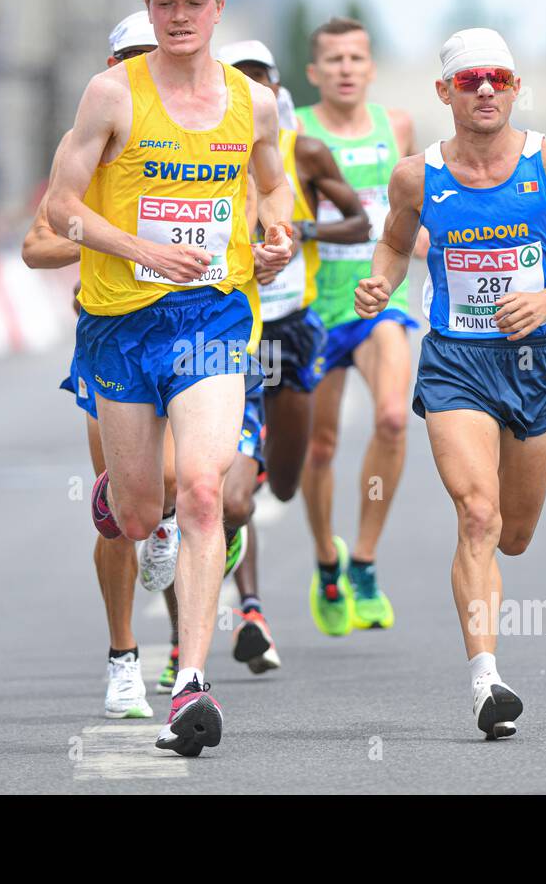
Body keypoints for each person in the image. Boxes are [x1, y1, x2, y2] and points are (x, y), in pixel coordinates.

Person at [45, 0, 293, 757]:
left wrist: (278, 233)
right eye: (164, 1)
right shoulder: (112, 92)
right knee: (140, 511)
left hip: (213, 318)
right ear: (150, 10)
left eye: (193, 1)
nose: (179, 15)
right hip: (120, 321)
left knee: (201, 491)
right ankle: (128, 511)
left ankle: (189, 680)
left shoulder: (253, 104)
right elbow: (59, 210)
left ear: (218, 9)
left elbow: (272, 181)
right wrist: (139, 247)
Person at [355, 28, 546, 739]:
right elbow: (391, 237)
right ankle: (486, 680)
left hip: (535, 363)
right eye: (469, 79)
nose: (484, 90)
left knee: (516, 535)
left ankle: (489, 646)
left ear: (514, 87)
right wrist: (380, 281)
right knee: (478, 515)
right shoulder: (416, 176)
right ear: (444, 91)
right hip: (456, 364)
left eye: (497, 79)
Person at [23, 12, 169, 718]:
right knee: (114, 506)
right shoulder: (84, 135)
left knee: (187, 485)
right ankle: (123, 658)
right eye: (129, 57)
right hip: (109, 332)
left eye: (153, 54)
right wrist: (114, 243)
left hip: (191, 330)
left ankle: (171, 523)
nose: (141, 68)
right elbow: (35, 244)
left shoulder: (201, 130)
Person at [217, 38, 370, 672]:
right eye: (241, 83)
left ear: (278, 91)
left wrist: (301, 229)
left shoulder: (302, 150)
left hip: (293, 328)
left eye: (264, 84)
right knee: (237, 486)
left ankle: (238, 497)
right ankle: (249, 605)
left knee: (283, 479)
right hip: (232, 330)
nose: (257, 95)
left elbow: (361, 223)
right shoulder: (210, 149)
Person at [297, 16, 427, 637]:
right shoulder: (295, 127)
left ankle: (366, 562)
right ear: (314, 72)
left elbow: (411, 210)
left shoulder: (396, 125)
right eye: (334, 59)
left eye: (356, 58)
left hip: (380, 300)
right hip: (314, 309)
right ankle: (329, 560)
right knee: (317, 448)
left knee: (394, 419)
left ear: (371, 68)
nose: (346, 68)